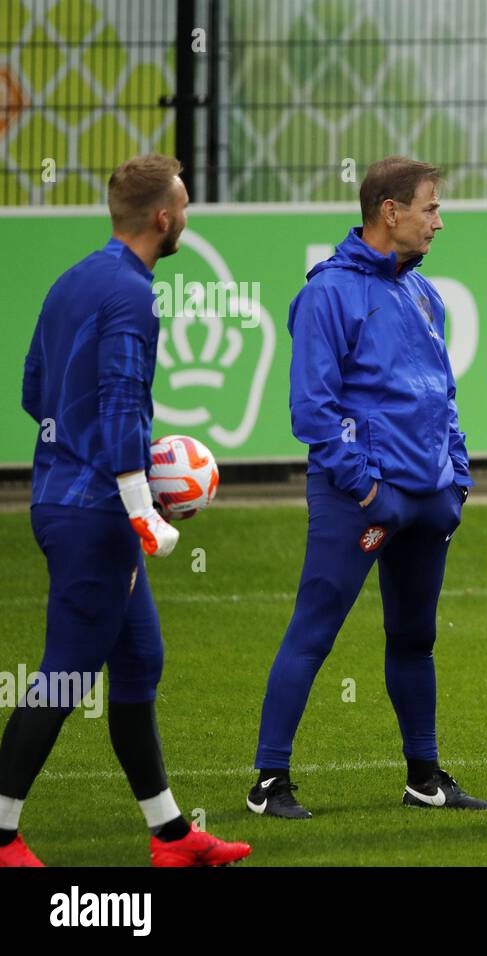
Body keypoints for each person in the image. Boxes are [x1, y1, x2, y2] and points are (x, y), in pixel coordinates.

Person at [0, 154, 252, 866]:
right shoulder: (135, 297)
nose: (187, 219)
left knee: (139, 659)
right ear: (164, 219)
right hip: (95, 515)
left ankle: (172, 836)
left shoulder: (71, 281)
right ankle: (1, 835)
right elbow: (115, 406)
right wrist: (143, 506)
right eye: (185, 207)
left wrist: (100, 454)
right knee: (65, 673)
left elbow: (31, 391)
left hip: (64, 498)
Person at [247, 156, 487, 819]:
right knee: (314, 632)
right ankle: (269, 782)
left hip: (428, 498)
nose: (439, 222)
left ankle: (424, 778)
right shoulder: (328, 293)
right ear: (390, 212)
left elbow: (445, 396)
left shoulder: (423, 294)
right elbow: (313, 411)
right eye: (430, 208)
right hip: (360, 498)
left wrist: (457, 479)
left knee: (415, 639)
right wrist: (365, 488)